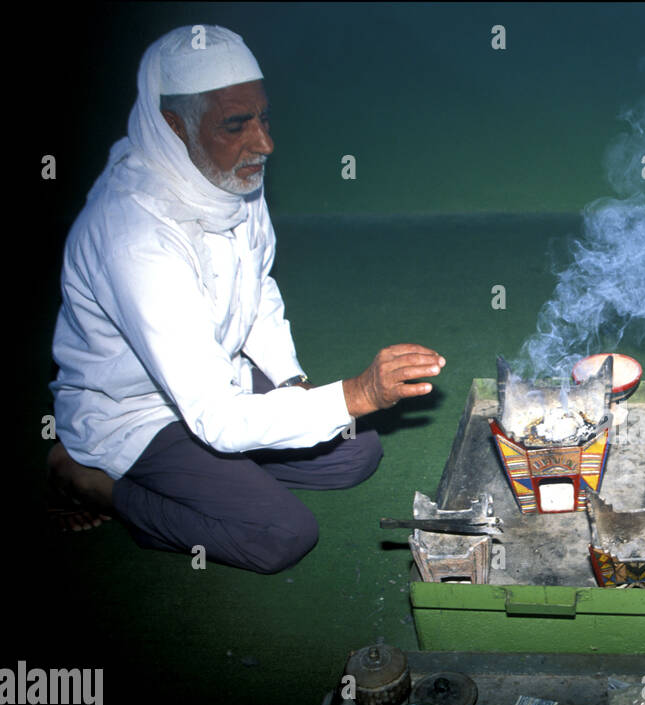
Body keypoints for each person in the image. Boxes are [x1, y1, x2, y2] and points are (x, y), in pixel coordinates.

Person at [47, 24, 443, 573]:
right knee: (279, 534)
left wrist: (291, 383)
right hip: (141, 414)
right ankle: (95, 485)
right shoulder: (134, 237)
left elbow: (256, 287)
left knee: (356, 454)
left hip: (217, 373)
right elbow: (215, 418)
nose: (265, 143)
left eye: (264, 118)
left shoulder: (226, 174)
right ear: (173, 126)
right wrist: (354, 393)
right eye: (237, 125)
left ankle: (218, 475)